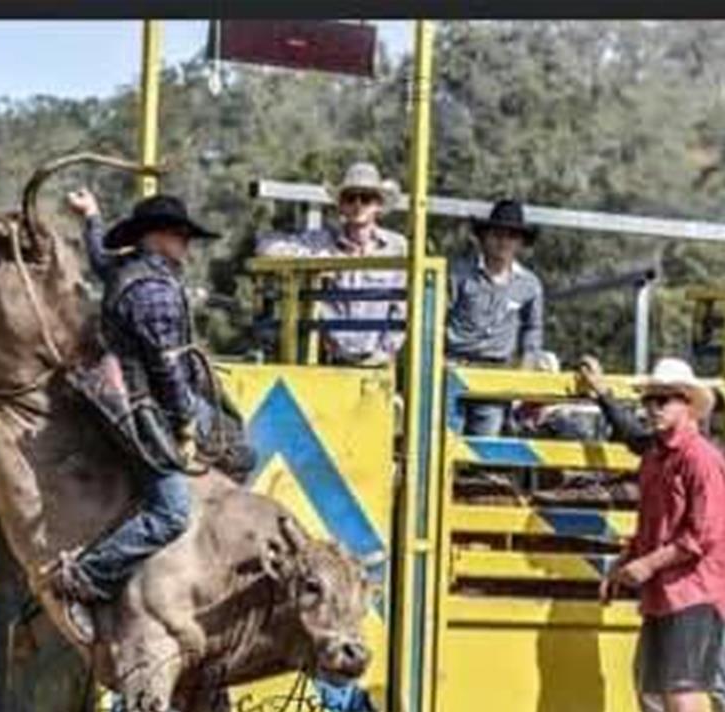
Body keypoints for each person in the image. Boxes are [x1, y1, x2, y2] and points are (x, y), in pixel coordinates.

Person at [578, 355, 725, 712]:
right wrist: (628, 562)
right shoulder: (657, 456)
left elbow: (704, 534)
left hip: (697, 582)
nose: (653, 407)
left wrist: (647, 563)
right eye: (650, 400)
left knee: (694, 680)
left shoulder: (703, 459)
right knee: (666, 680)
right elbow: (651, 523)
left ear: (688, 405)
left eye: (664, 400)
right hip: (673, 583)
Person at [54, 192, 222, 643]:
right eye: (180, 234)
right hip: (146, 409)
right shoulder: (153, 291)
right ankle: (84, 577)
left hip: (127, 398)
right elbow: (167, 368)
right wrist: (185, 421)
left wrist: (92, 217)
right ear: (156, 238)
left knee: (232, 441)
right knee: (172, 512)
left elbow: (98, 258)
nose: (186, 243)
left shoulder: (126, 271)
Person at [254, 162, 408, 367]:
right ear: (341, 205)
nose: (358, 205)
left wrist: (385, 351)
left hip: (377, 360)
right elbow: (266, 246)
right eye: (350, 198)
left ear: (378, 205)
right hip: (330, 360)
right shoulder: (323, 241)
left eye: (366, 198)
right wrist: (317, 259)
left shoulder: (396, 247)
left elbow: (402, 307)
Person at [446, 199, 545, 436]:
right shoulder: (459, 274)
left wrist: (526, 368)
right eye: (497, 234)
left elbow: (533, 328)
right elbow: (439, 315)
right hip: (453, 367)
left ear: (520, 242)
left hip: (495, 372)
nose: (504, 241)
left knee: (485, 440)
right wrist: (438, 358)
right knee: (447, 437)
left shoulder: (529, 285)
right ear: (485, 237)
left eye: (512, 236)